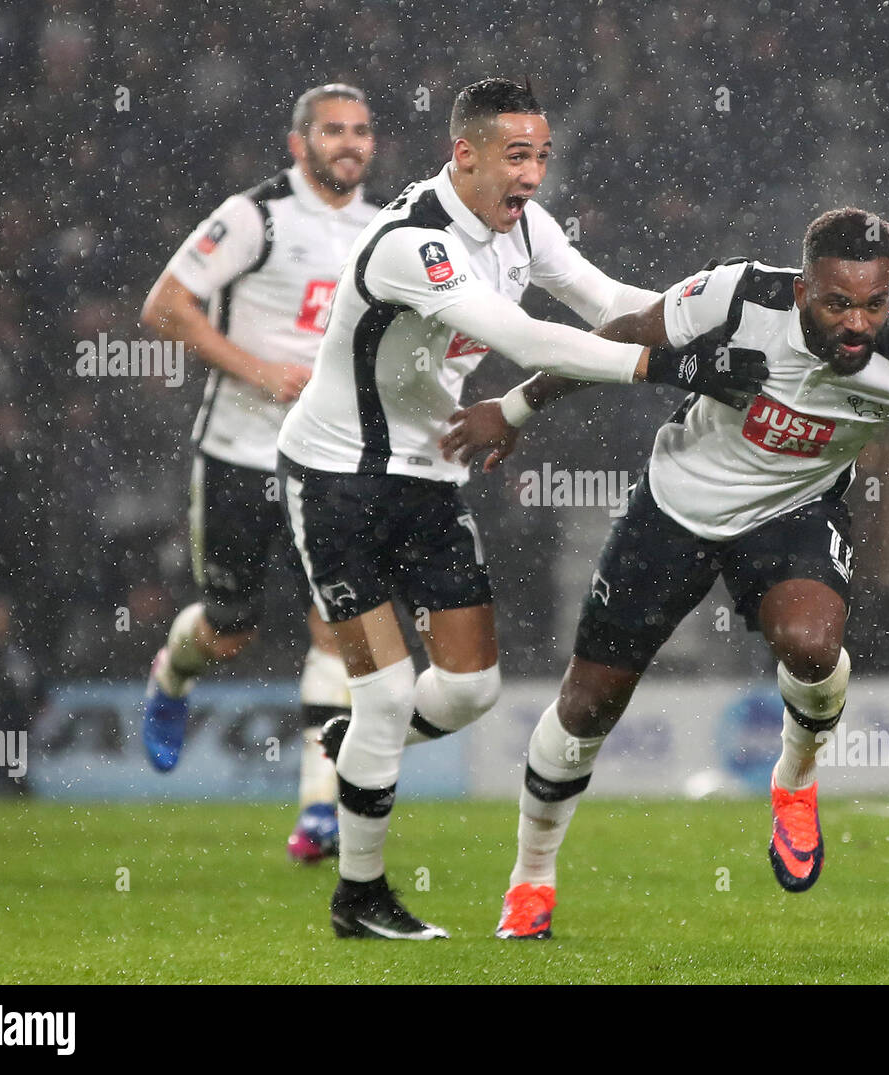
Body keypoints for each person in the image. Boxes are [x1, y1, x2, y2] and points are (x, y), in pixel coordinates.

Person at [275, 77, 763, 940]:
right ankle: (359, 896)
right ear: (464, 155)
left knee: (469, 689)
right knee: (389, 696)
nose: (533, 174)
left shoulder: (526, 227)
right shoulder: (411, 243)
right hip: (337, 478)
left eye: (541, 155)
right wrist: (667, 371)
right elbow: (524, 340)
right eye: (515, 156)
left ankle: (360, 746)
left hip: (428, 475)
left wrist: (709, 323)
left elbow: (612, 304)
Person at [442, 208, 889, 939]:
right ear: (803, 291)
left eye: (873, 302)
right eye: (837, 303)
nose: (857, 323)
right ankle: (532, 878)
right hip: (674, 506)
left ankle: (794, 781)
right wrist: (515, 407)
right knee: (586, 707)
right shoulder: (737, 298)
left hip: (792, 511)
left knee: (812, 642)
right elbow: (622, 337)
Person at [139, 84, 382, 861]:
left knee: (339, 625)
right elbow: (166, 306)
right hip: (241, 454)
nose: (350, 143)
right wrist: (257, 369)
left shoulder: (384, 230)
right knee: (229, 627)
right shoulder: (255, 215)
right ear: (298, 143)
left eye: (361, 131)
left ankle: (318, 808)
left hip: (331, 460)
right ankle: (171, 676)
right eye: (333, 131)